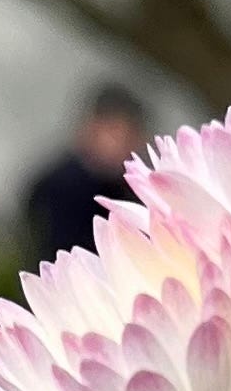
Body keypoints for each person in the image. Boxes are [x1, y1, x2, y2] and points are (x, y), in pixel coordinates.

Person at [23, 80, 150, 265]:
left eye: (129, 135)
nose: (120, 143)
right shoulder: (56, 186)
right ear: (91, 128)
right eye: (114, 132)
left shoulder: (131, 188)